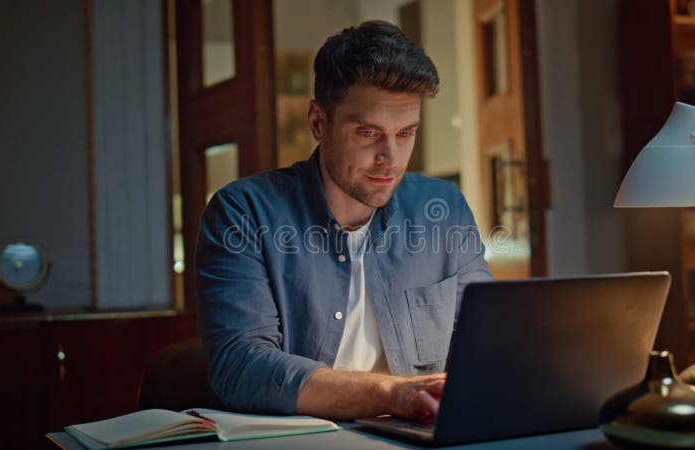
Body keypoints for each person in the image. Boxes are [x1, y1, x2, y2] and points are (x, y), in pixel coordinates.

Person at [196, 20, 493, 422]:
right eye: (368, 132)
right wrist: (392, 393)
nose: (390, 157)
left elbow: (488, 342)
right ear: (319, 123)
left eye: (406, 134)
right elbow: (242, 368)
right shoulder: (242, 213)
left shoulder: (444, 210)